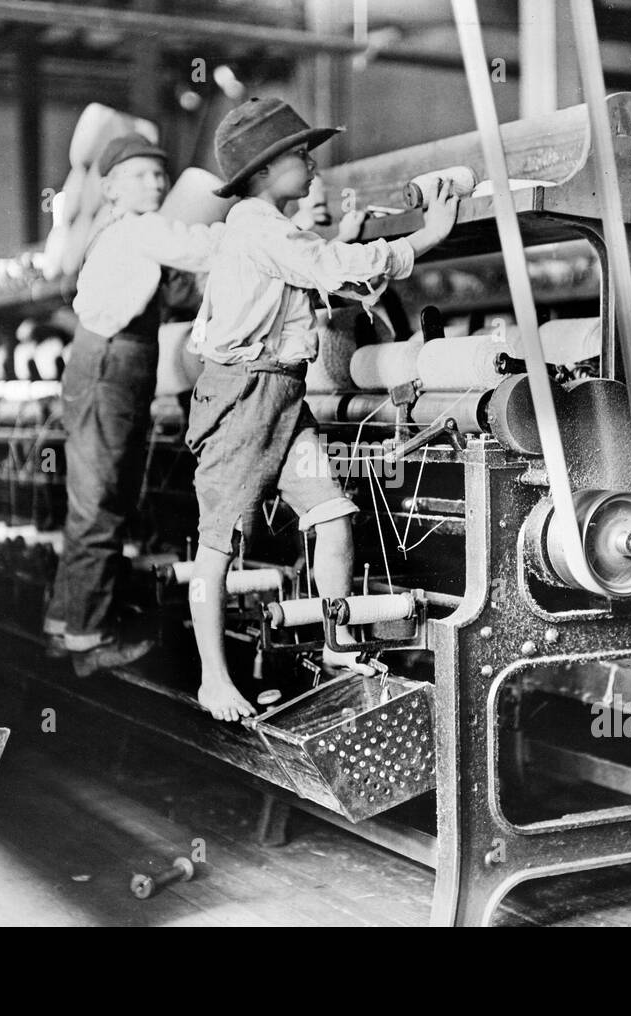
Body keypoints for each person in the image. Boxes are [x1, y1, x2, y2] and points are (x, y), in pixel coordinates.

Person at [186, 97, 459, 721]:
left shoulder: (275, 228)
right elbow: (334, 266)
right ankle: (211, 679)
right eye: (299, 155)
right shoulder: (256, 224)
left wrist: (369, 241)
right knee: (217, 549)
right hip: (243, 399)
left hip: (284, 396)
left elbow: (332, 266)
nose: (312, 165)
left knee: (333, 516)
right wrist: (426, 237)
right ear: (261, 172)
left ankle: (336, 644)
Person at [44, 133, 222, 678]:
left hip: (110, 366)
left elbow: (174, 297)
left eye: (160, 174)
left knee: (98, 501)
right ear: (110, 187)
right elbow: (205, 248)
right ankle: (89, 640)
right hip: (111, 369)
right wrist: (264, 230)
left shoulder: (122, 234)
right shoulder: (142, 229)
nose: (157, 182)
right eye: (141, 174)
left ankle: (66, 623)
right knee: (100, 505)